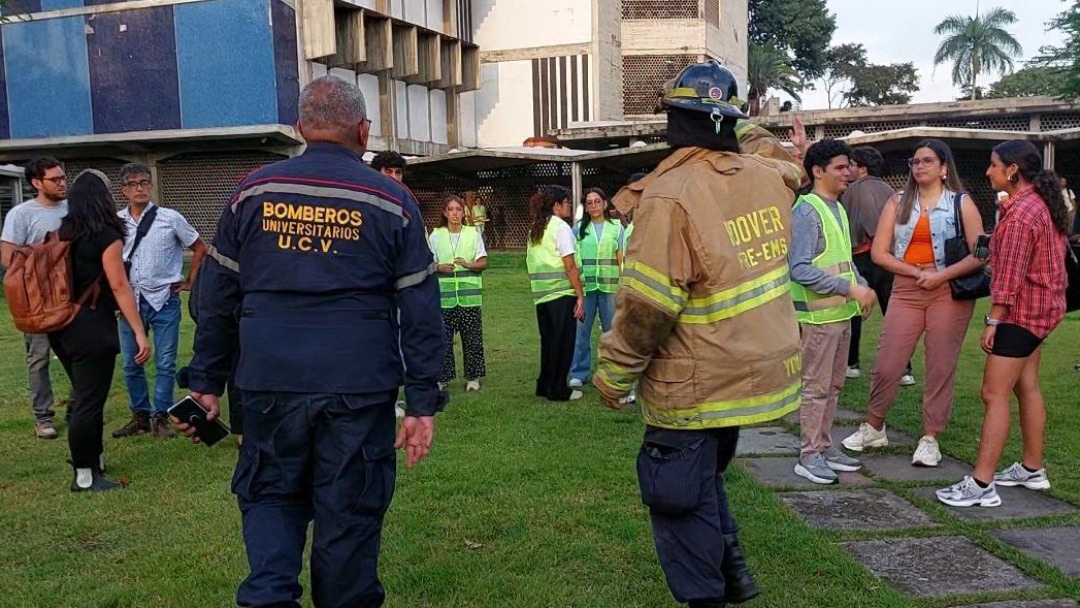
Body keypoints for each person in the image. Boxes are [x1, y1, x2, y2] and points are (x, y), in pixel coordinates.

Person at [176, 76, 445, 607]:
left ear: (300, 128)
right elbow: (420, 309)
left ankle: (270, 595)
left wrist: (206, 382)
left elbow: (217, 296)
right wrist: (421, 401)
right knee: (349, 514)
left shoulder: (252, 191)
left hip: (268, 381)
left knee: (271, 498)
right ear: (363, 131)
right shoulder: (392, 199)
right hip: (358, 385)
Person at [594, 60, 803, 608]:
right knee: (707, 481)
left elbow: (648, 308)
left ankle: (707, 597)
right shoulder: (766, 177)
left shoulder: (669, 195)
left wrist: (614, 374)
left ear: (672, 118)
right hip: (756, 373)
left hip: (693, 383)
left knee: (677, 497)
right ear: (730, 120)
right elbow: (785, 163)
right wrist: (751, 123)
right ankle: (732, 573)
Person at [937, 140, 1070, 508]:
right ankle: (1031, 468)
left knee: (992, 394)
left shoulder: (1022, 214)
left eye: (993, 165)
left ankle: (981, 484)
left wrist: (993, 320)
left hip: (1022, 314)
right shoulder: (1037, 204)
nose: (987, 171)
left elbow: (1009, 279)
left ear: (1012, 170)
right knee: (1026, 386)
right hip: (1044, 310)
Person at [843, 140, 986, 467]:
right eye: (914, 161)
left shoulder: (960, 203)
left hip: (947, 291)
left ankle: (930, 437)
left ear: (943, 167)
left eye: (927, 161)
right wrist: (913, 271)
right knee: (888, 361)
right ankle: (874, 426)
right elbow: (879, 253)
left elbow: (981, 254)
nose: (919, 166)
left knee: (939, 365)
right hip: (907, 290)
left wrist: (941, 275)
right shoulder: (897, 202)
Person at [49, 170, 151, 491]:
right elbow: (119, 286)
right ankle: (85, 476)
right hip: (92, 326)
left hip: (61, 325)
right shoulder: (106, 234)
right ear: (103, 198)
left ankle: (94, 459)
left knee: (84, 396)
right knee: (88, 401)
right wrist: (138, 330)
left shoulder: (63, 232)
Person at [788, 139, 876, 485]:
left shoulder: (837, 208)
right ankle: (809, 454)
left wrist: (860, 286)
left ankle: (823, 446)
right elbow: (800, 268)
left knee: (834, 385)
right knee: (816, 387)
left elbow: (844, 261)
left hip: (840, 316)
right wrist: (849, 288)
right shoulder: (806, 210)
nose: (848, 173)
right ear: (818, 171)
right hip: (817, 320)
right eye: (841, 167)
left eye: (849, 166)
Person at [112, 162, 207, 439]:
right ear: (124, 190)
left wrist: (190, 280)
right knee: (131, 362)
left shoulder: (170, 218)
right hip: (131, 300)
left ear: (151, 186)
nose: (140, 189)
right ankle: (139, 414)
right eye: (133, 184)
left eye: (144, 183)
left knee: (165, 362)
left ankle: (160, 415)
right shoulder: (116, 221)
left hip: (164, 299)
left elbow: (199, 246)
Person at [1, 157, 67, 439]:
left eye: (64, 178)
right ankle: (43, 417)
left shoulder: (72, 209)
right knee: (38, 358)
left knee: (79, 354)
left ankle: (82, 408)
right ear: (36, 183)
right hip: (37, 301)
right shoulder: (21, 214)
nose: (62, 183)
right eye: (56, 179)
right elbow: (8, 256)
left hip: (69, 298)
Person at [842, 146, 914, 386]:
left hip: (864, 256)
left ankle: (851, 363)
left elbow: (869, 223)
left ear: (862, 168)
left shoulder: (855, 189)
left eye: (851, 164)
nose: (847, 169)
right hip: (891, 260)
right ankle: (905, 369)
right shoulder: (888, 189)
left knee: (853, 311)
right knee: (893, 314)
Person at [527, 185, 585, 402]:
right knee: (563, 343)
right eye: (567, 201)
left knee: (549, 342)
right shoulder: (560, 227)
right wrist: (580, 294)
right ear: (557, 205)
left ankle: (545, 385)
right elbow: (569, 265)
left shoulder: (537, 227)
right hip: (561, 293)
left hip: (542, 295)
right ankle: (559, 389)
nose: (569, 205)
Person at [430, 194, 487, 391]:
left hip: (469, 298)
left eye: (458, 209)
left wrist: (467, 264)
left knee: (472, 339)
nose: (455, 213)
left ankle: (473, 377)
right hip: (444, 299)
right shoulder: (435, 235)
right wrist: (438, 267)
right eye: (451, 209)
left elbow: (483, 262)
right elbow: (427, 264)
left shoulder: (473, 234)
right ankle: (442, 378)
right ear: (445, 213)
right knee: (442, 340)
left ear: (464, 213)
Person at [568, 187, 625, 389]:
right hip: (586, 288)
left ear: (605, 203)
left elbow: (621, 258)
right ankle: (578, 373)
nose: (593, 205)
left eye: (597, 201)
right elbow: (573, 258)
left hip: (610, 288)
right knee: (581, 331)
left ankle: (613, 373)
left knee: (611, 332)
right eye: (589, 202)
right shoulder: (578, 229)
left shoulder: (617, 228)